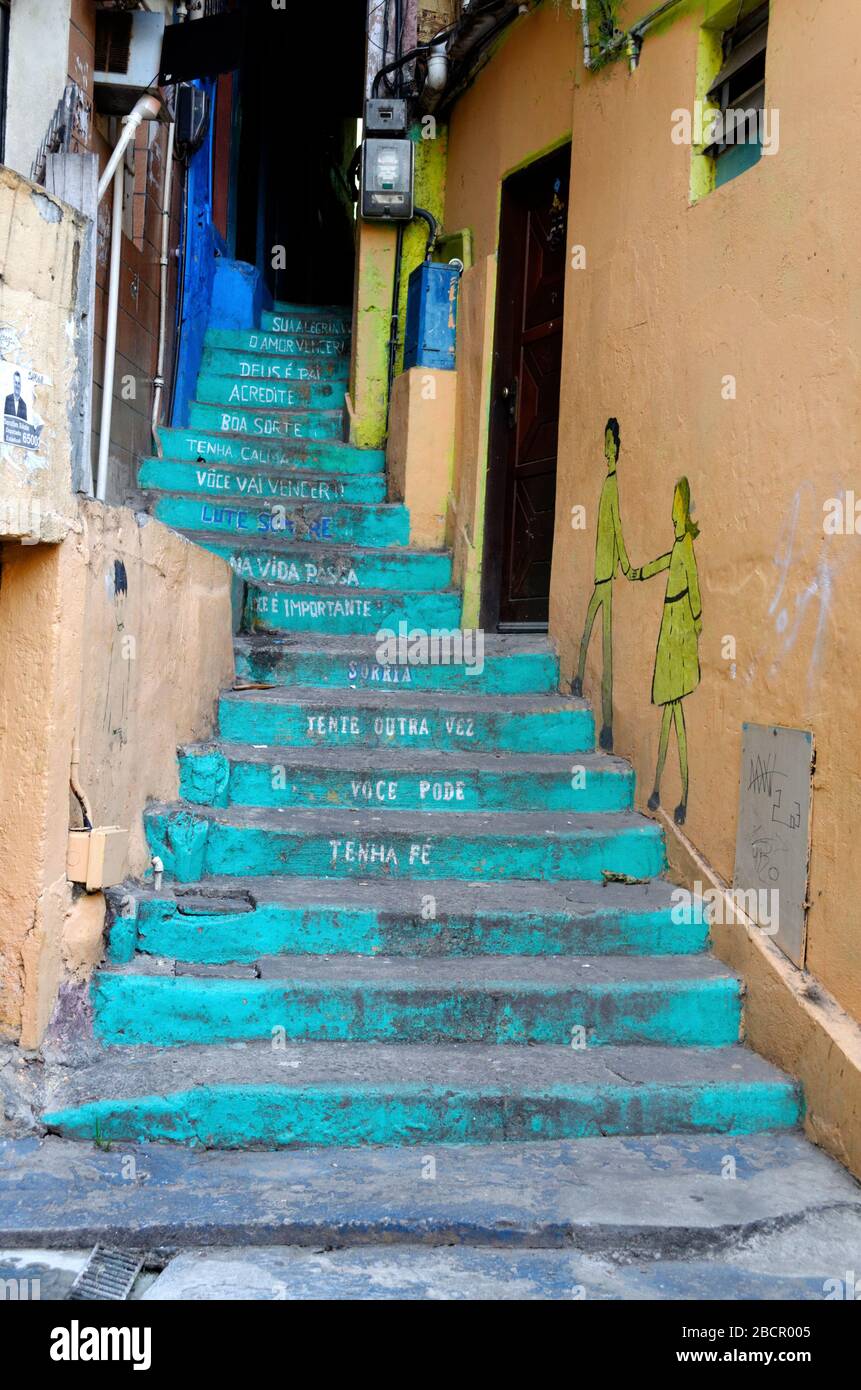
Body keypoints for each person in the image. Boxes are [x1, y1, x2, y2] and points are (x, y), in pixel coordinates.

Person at [631, 476, 702, 825]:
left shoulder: (686, 546)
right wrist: (635, 572)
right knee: (670, 715)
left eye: (677, 507)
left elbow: (696, 592)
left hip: (680, 630)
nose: (672, 515)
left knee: (674, 718)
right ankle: (662, 789)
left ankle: (678, 792)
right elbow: (660, 564)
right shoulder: (677, 546)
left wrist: (697, 626)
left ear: (684, 510)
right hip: (670, 627)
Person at [572, 417, 632, 751]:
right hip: (602, 574)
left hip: (606, 576)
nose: (607, 447)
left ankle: (607, 723)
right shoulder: (609, 483)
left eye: (611, 442)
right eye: (606, 441)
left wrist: (624, 565)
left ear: (616, 448)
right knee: (592, 637)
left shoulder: (611, 484)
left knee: (603, 646)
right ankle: (581, 680)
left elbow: (618, 530)